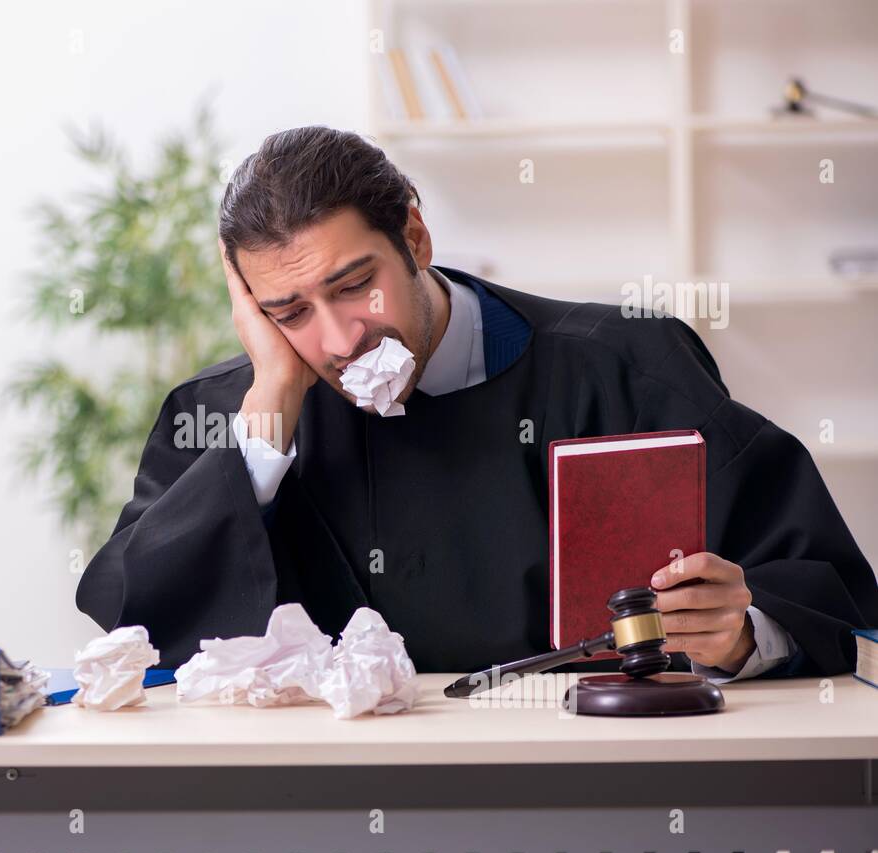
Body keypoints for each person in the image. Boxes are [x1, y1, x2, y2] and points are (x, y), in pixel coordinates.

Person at [76, 125, 877, 680]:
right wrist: (268, 423)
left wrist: (741, 634)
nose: (338, 337)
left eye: (355, 285)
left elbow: (829, 591)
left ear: (416, 238)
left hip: (597, 797)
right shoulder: (230, 412)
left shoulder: (626, 368)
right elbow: (132, 616)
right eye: (287, 313)